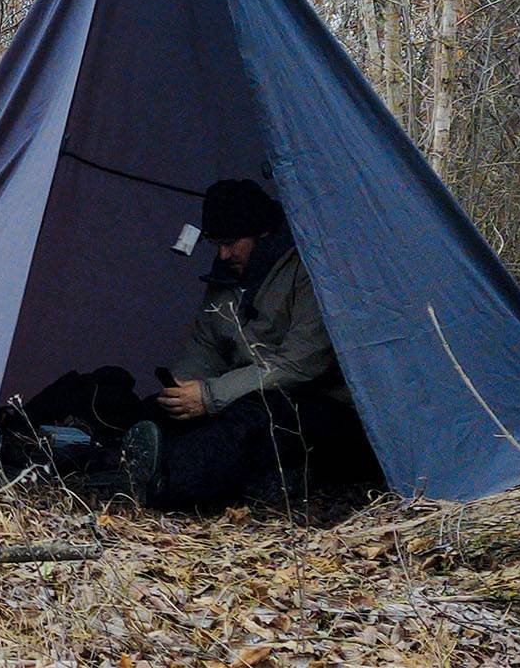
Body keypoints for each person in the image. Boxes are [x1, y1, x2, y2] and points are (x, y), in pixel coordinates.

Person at [120, 178, 377, 509]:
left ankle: (165, 487)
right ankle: (124, 468)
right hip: (247, 392)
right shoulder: (227, 275)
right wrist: (182, 389)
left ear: (262, 233)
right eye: (216, 243)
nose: (223, 254)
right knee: (160, 410)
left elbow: (298, 364)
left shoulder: (309, 270)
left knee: (247, 424)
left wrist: (210, 396)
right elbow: (207, 345)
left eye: (230, 243)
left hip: (321, 405)